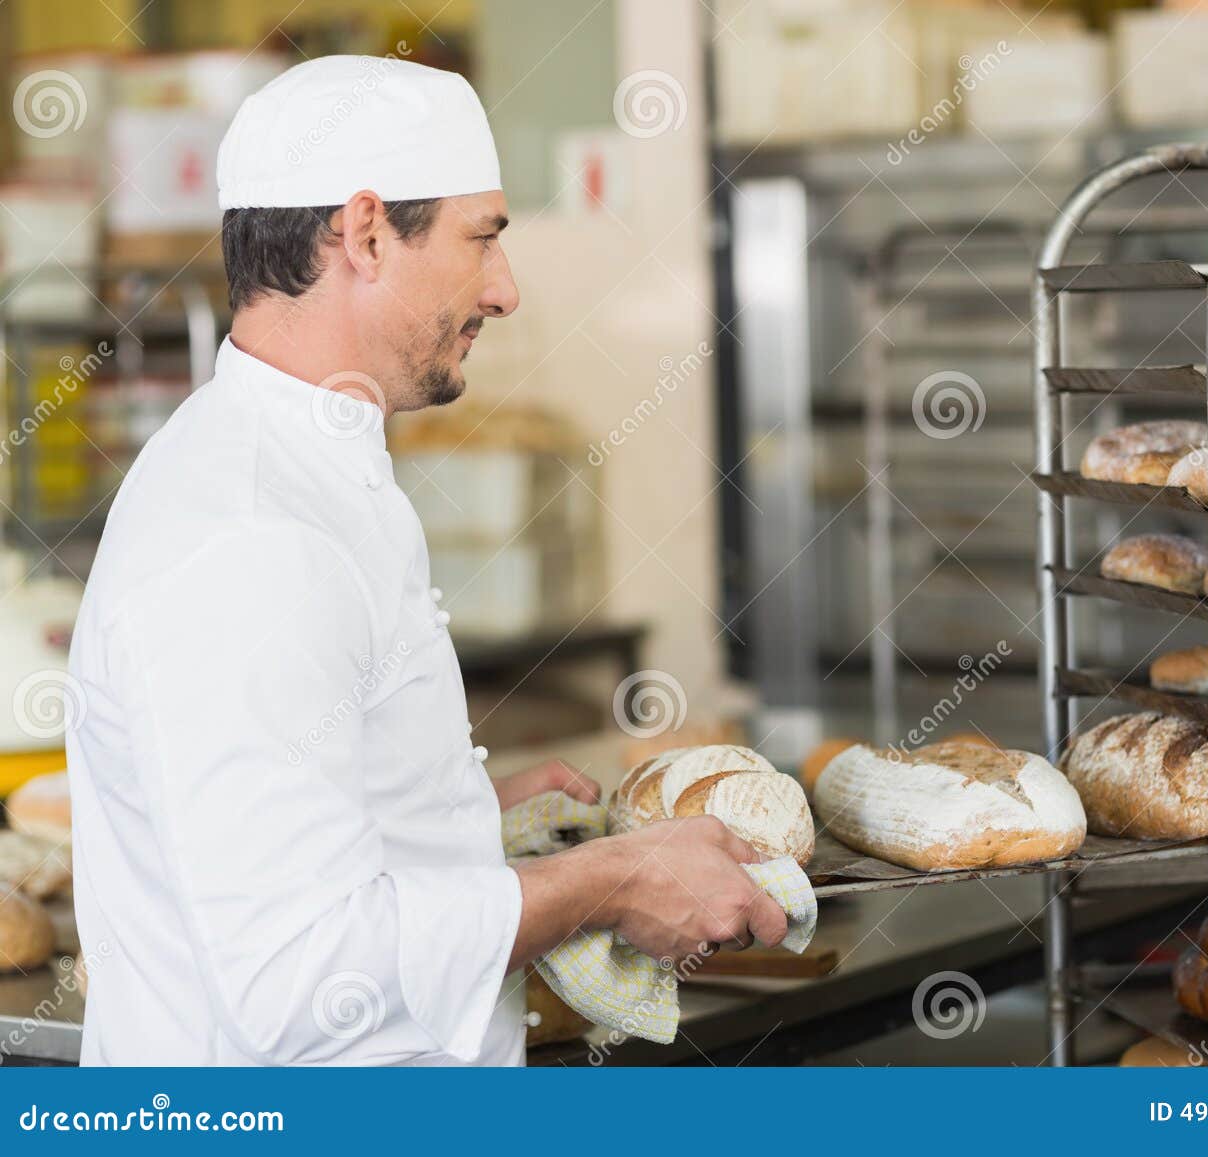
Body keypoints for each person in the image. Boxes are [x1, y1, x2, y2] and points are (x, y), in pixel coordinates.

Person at [66, 55, 786, 1066]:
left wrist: (444, 807)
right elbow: (303, 978)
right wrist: (612, 881)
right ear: (363, 233)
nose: (506, 289)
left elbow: (276, 825)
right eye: (481, 238)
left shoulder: (310, 466)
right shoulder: (251, 536)